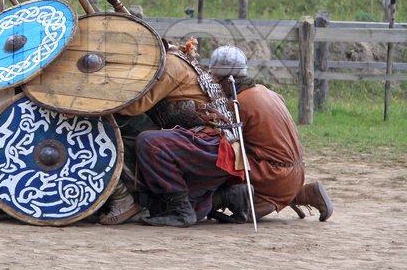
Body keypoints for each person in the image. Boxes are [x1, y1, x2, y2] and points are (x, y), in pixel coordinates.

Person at [99, 38, 245, 227]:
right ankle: (229, 196)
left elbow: (135, 106)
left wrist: (97, 103)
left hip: (214, 147)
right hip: (213, 145)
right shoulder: (178, 60)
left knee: (149, 142)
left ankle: (181, 211)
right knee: (155, 205)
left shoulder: (172, 65)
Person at [208, 45, 333, 222]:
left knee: (219, 158)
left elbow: (225, 142)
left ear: (228, 80)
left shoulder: (236, 104)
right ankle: (305, 193)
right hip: (296, 172)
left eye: (216, 79)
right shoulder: (267, 91)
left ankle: (256, 200)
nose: (214, 84)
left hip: (273, 175)